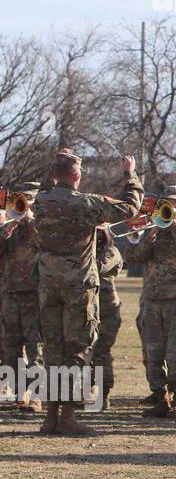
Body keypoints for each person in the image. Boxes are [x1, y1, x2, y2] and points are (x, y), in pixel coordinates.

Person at [33, 149, 142, 436]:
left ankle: (50, 418)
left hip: (48, 287)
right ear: (78, 176)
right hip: (78, 288)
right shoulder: (87, 204)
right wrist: (130, 174)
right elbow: (131, 207)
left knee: (52, 350)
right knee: (78, 349)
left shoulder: (40, 202)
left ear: (53, 175)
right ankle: (68, 418)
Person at [125, 184, 176, 420]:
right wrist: (147, 237)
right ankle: (160, 398)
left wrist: (174, 224)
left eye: (173, 203)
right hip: (152, 297)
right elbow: (134, 258)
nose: (167, 207)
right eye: (164, 203)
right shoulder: (153, 226)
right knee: (153, 353)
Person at [0, 182, 43, 412]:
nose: (21, 205)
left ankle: (36, 394)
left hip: (33, 293)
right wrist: (4, 232)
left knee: (34, 345)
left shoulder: (39, 224)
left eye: (26, 200)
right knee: (11, 345)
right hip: (10, 292)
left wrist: (28, 217)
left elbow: (43, 240)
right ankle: (19, 393)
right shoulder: (9, 225)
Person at [89, 224, 124, 410]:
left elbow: (98, 267)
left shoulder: (112, 251)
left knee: (101, 352)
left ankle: (103, 394)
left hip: (106, 308)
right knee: (84, 351)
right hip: (88, 308)